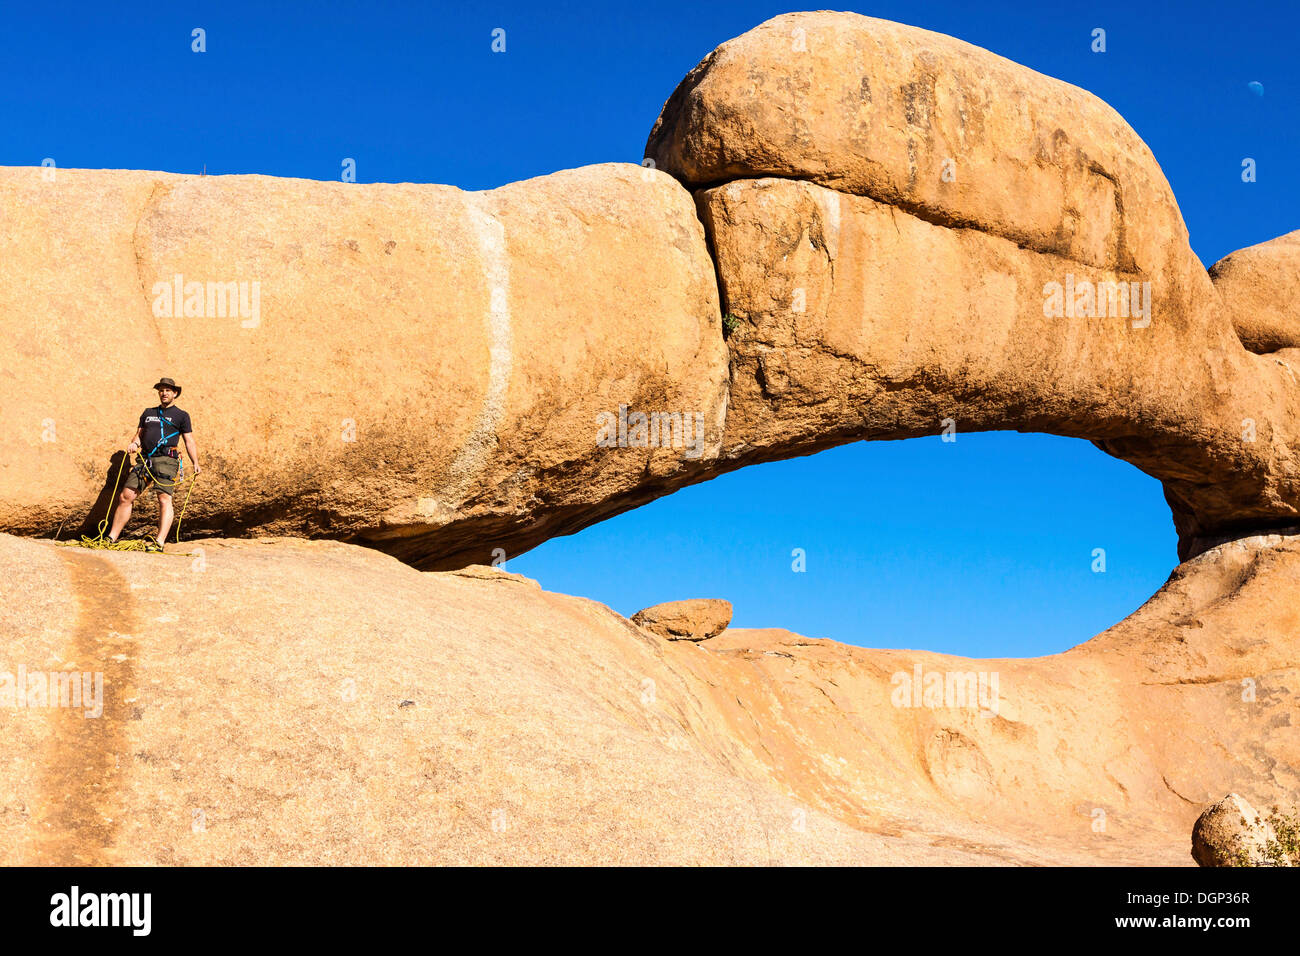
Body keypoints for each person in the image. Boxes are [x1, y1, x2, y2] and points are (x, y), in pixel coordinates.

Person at [105, 377, 202, 551]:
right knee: (126, 496)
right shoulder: (148, 412)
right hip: (144, 459)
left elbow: (189, 441)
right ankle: (111, 538)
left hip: (167, 460)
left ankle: (159, 542)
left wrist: (195, 462)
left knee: (164, 498)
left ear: (175, 393)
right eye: (161, 390)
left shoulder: (182, 415)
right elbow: (139, 435)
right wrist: (134, 443)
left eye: (167, 390)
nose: (164, 393)